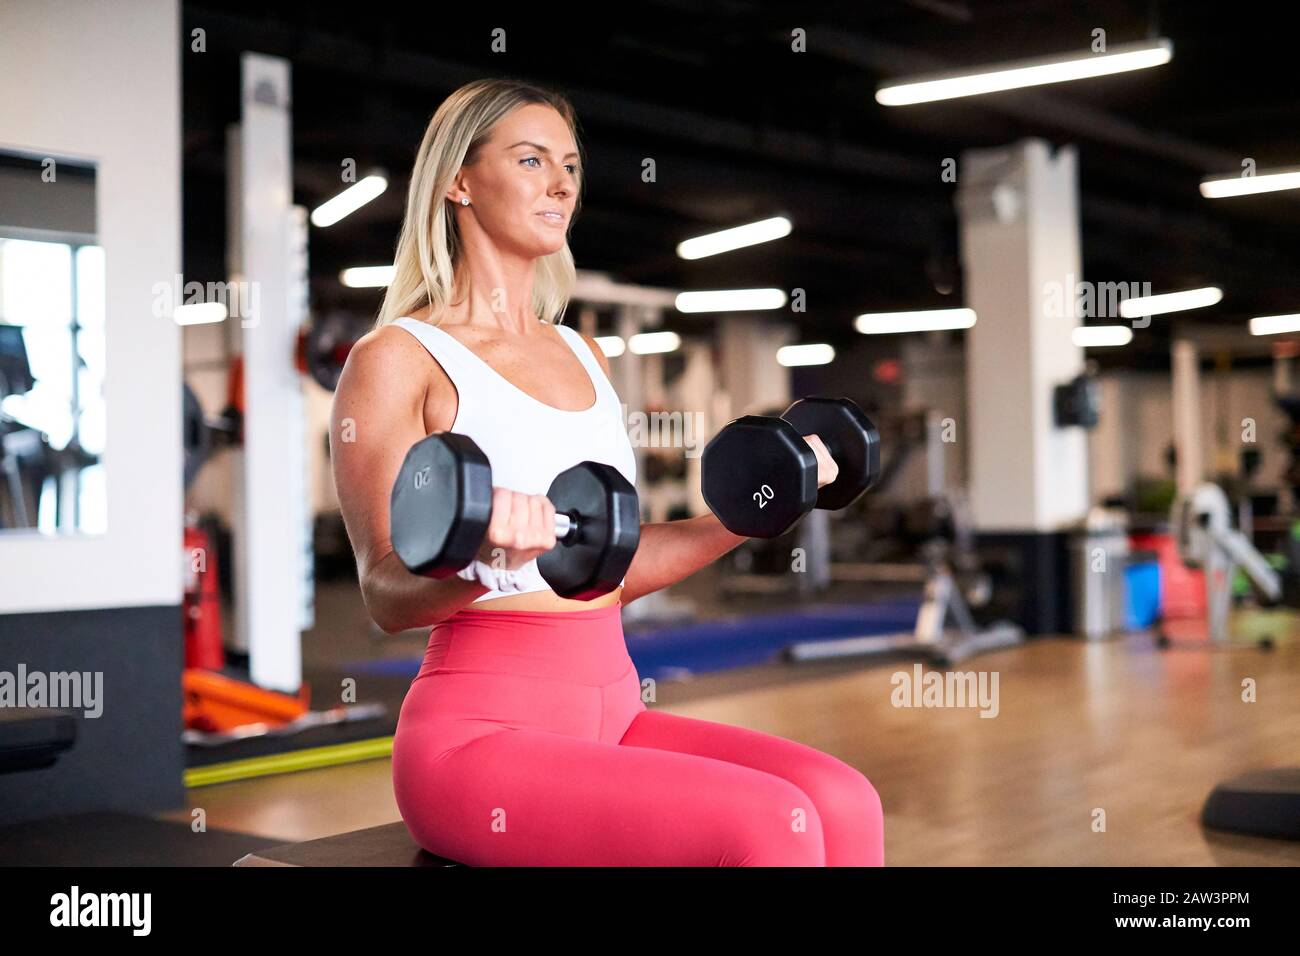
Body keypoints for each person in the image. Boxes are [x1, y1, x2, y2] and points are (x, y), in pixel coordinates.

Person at [330, 78, 884, 866]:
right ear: (458, 180)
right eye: (531, 160)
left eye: (571, 167)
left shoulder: (583, 354)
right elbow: (385, 593)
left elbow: (608, 565)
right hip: (475, 736)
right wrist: (490, 565)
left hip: (613, 706)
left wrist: (768, 499)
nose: (560, 184)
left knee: (840, 801)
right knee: (766, 826)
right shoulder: (396, 359)